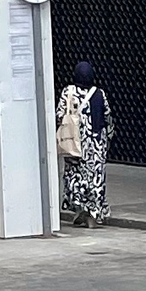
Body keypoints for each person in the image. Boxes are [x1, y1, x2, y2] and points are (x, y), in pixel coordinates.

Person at [54, 62, 111, 227]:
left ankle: (80, 210)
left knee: (75, 178)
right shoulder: (100, 94)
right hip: (95, 146)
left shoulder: (68, 91)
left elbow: (59, 114)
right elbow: (107, 117)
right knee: (95, 179)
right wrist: (107, 138)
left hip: (75, 144)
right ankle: (93, 213)